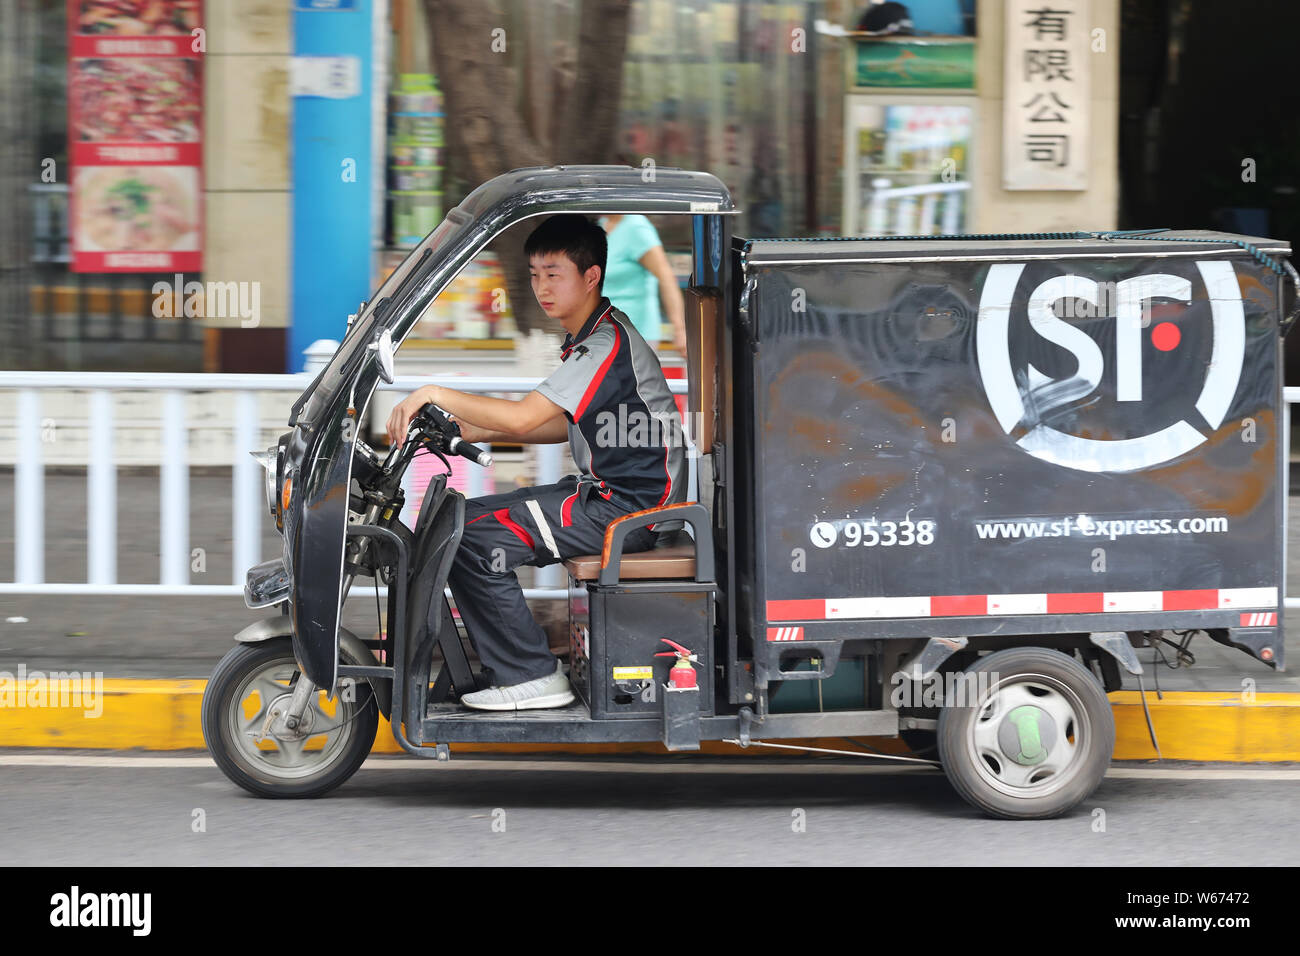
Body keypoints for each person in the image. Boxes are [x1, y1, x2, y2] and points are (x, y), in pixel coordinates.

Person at [385, 214, 687, 711]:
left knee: (472, 539)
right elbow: (556, 424)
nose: (541, 287)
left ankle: (531, 675)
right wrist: (462, 431)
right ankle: (508, 662)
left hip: (627, 513)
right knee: (462, 519)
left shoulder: (602, 346)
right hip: (607, 497)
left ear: (590, 277)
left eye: (554, 274)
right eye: (534, 275)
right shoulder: (595, 335)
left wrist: (434, 391)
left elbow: (526, 420)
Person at [600, 214, 688, 355]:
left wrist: (679, 329)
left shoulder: (636, 227)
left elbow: (665, 276)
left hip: (634, 335)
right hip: (604, 334)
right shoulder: (602, 224)